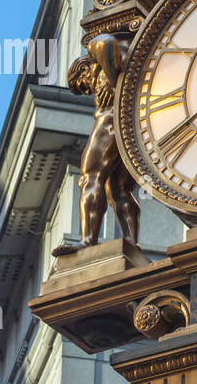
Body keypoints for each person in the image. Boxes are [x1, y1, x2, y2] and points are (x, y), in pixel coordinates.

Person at [52, 34, 140, 256]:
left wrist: (110, 77)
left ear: (83, 70)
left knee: (89, 177)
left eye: (83, 85)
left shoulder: (101, 58)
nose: (88, 89)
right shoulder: (129, 57)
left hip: (108, 122)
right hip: (130, 121)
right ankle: (131, 243)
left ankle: (88, 240)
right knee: (119, 189)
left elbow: (102, 41)